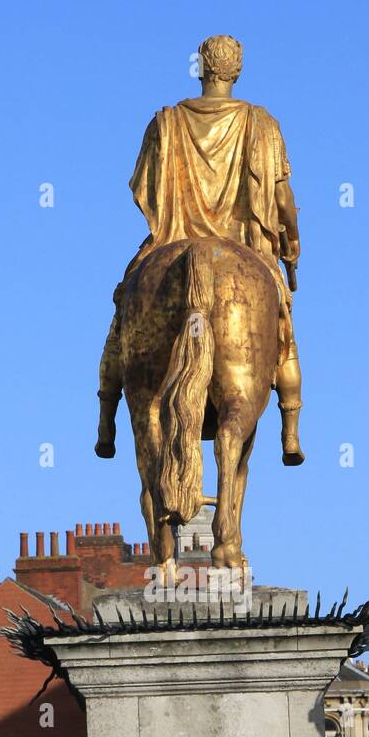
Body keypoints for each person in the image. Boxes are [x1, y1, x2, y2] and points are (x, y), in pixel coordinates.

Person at [96, 34, 305, 467]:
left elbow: (145, 194)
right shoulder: (262, 125)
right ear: (237, 70)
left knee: (122, 313)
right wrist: (292, 242)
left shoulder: (166, 123)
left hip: (169, 242)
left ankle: (106, 416)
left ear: (201, 68)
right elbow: (283, 201)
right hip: (245, 247)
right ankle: (291, 428)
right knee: (283, 331)